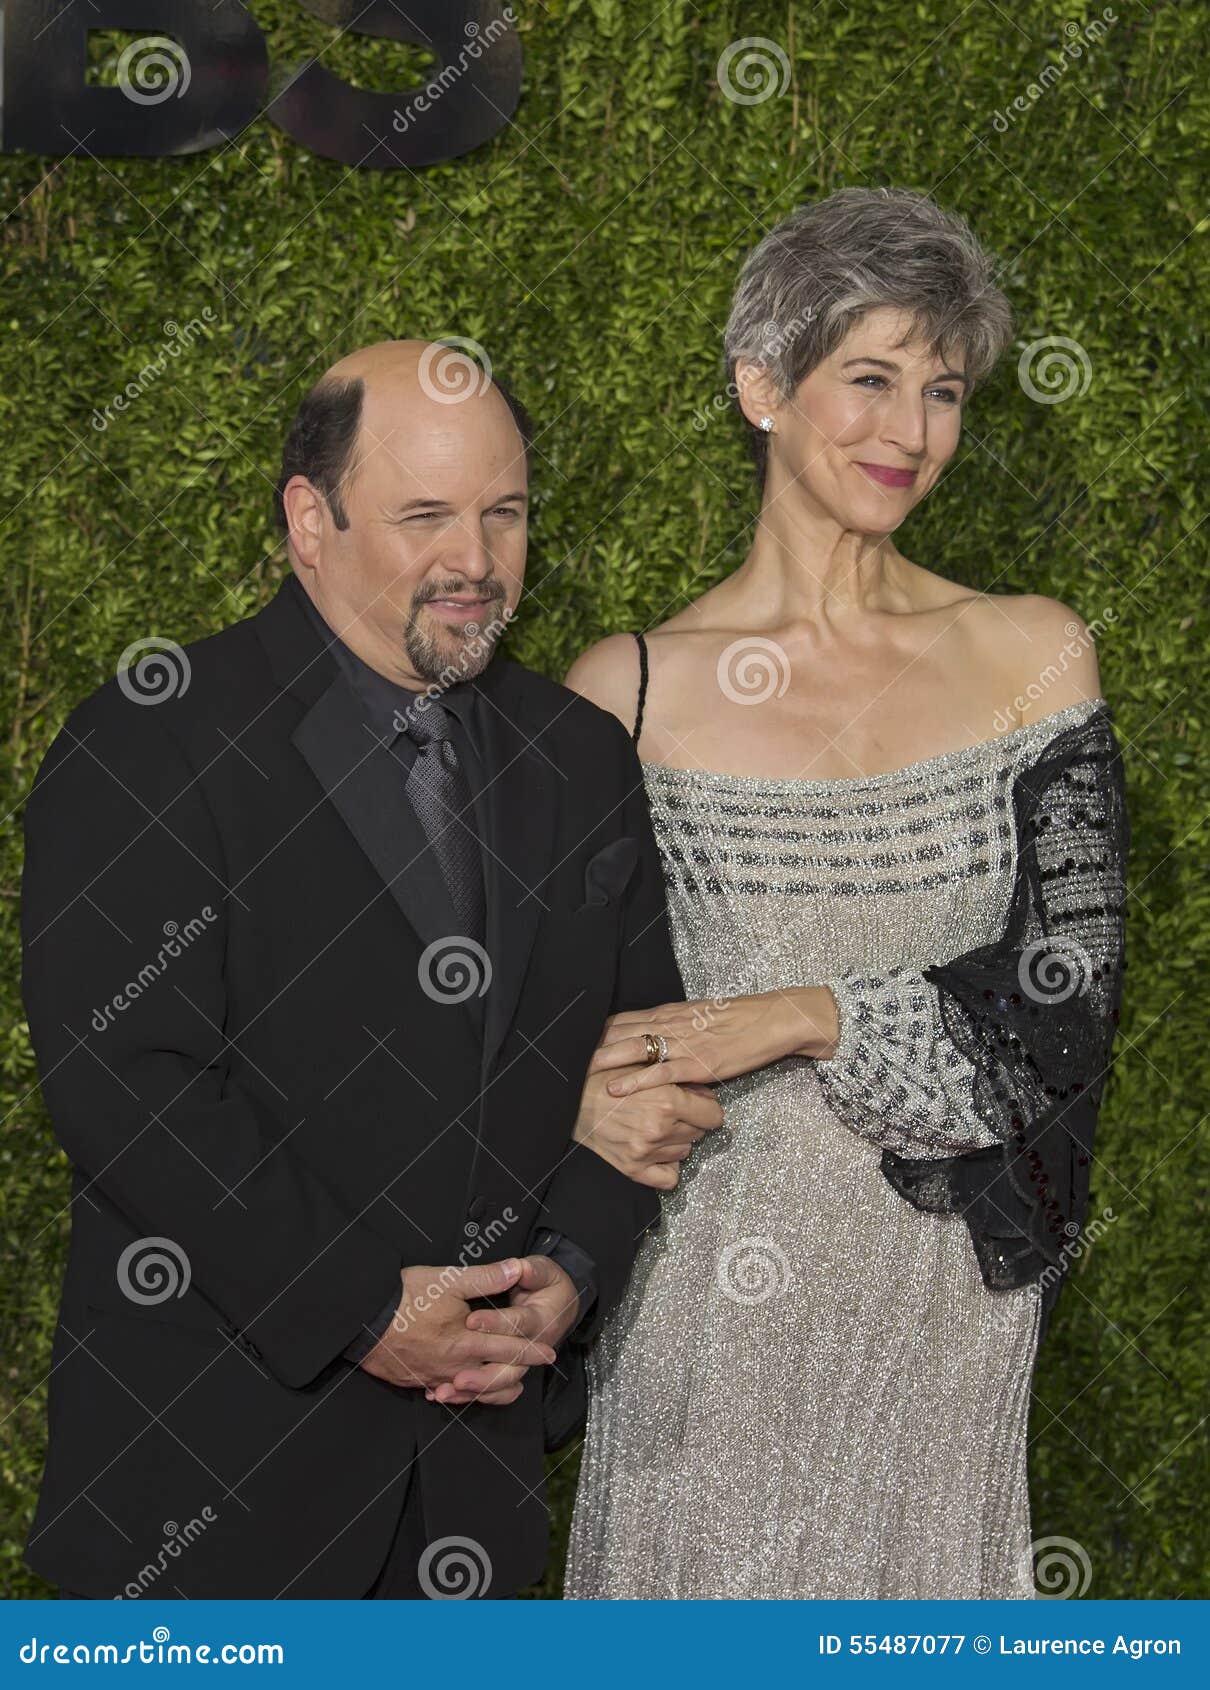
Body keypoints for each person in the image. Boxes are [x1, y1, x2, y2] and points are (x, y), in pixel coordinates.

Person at [20, 339, 720, 1600]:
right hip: (208, 1500)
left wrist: (566, 1274)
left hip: (478, 1500)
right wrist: (361, 1310)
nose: (476, 561)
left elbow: (641, 1058)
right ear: (310, 517)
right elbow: (126, 1079)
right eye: (425, 516)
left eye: (504, 513)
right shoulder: (155, 732)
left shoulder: (578, 758)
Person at [563, 187, 1130, 1599]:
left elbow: (1062, 1021)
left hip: (938, 1302)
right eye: (868, 377)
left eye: (940, 389)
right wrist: (577, 1087)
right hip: (701, 1294)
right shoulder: (621, 689)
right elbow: (537, 1022)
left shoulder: (1027, 655)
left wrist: (802, 1014)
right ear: (762, 385)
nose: (911, 430)